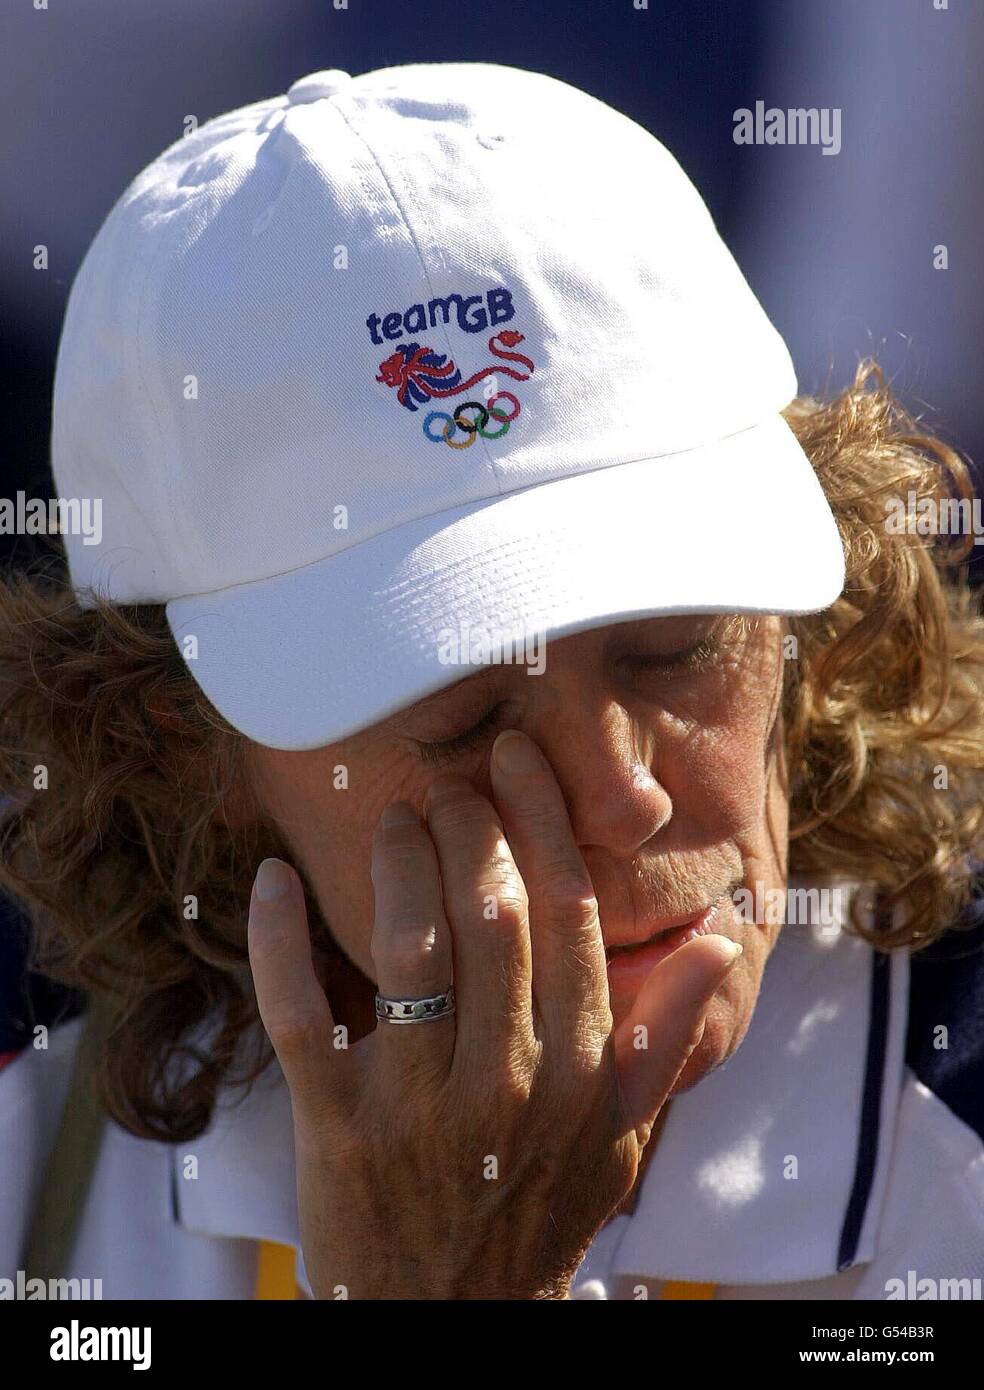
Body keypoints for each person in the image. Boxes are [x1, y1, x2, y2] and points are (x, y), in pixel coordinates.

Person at [1, 63, 982, 1301]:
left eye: (679, 645)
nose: (625, 799)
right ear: (185, 750)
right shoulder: (34, 1153)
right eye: (464, 719)